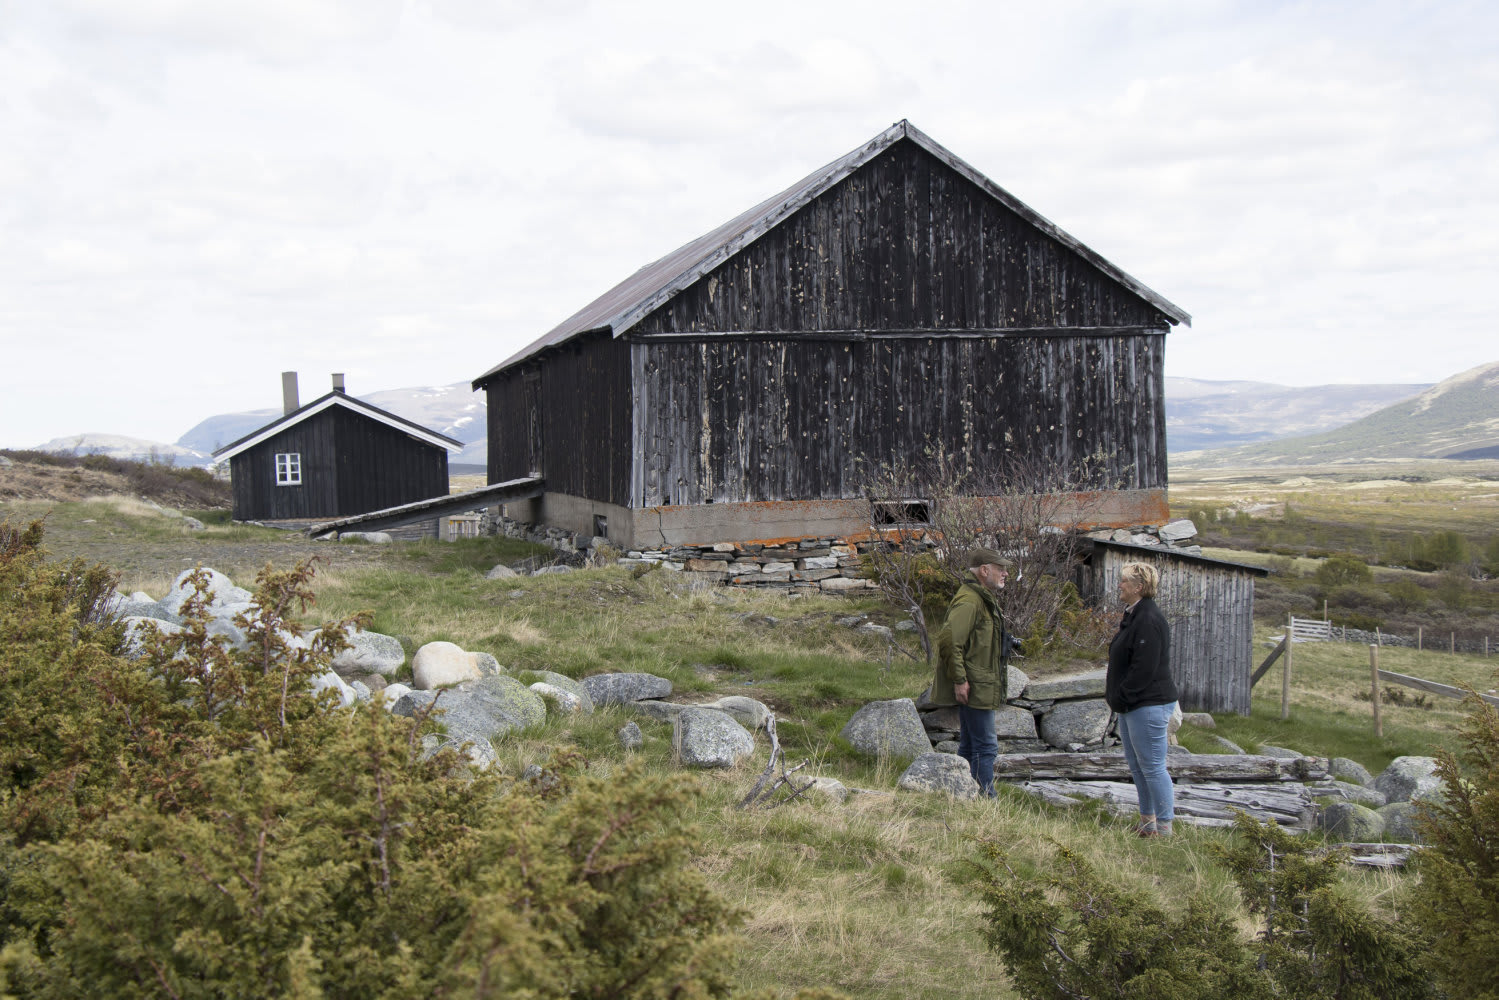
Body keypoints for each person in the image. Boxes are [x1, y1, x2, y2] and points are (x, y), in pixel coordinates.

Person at [930, 547, 1015, 797]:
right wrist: (960, 680)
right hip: (975, 685)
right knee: (986, 746)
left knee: (969, 746)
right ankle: (986, 798)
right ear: (984, 570)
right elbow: (948, 640)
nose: (1006, 573)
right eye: (1001, 569)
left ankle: (962, 794)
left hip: (980, 683)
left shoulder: (980, 597)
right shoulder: (971, 600)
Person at [1105, 561, 1178, 837]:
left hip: (1147, 704)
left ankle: (1164, 827)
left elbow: (1144, 669)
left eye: (1124, 581)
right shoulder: (1134, 615)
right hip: (1133, 705)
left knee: (1153, 767)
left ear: (1139, 587)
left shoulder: (1148, 619)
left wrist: (1123, 696)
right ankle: (1148, 823)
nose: (1120, 586)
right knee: (1138, 766)